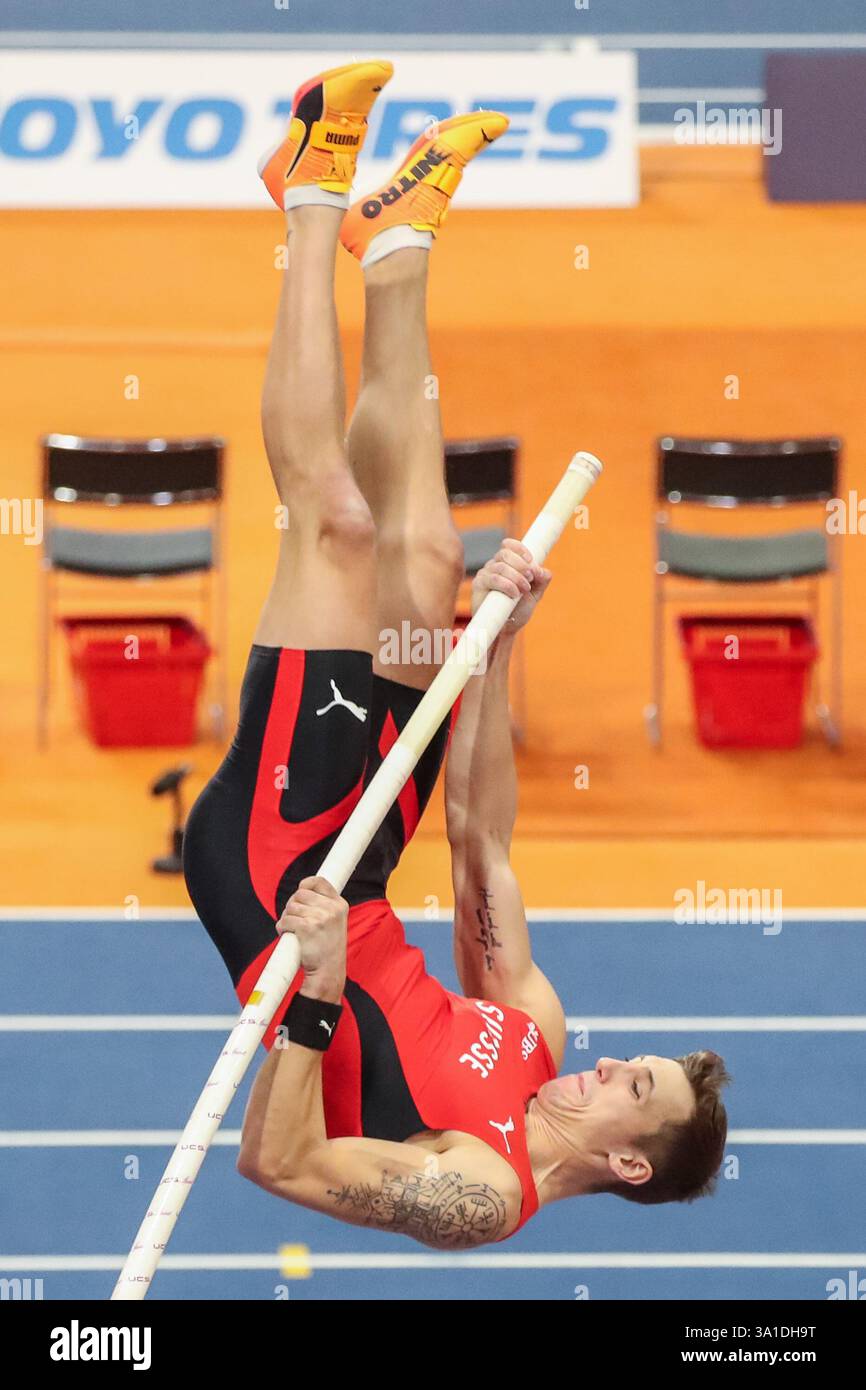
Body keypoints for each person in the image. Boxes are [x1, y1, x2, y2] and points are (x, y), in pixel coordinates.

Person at [183, 60, 730, 1250]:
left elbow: (279, 1162)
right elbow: (478, 835)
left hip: (288, 876)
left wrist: (318, 985)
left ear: (624, 1160)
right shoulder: (530, 1025)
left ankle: (311, 190)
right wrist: (486, 651)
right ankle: (395, 246)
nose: (603, 1070)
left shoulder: (482, 1192)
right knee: (427, 553)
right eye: (629, 1065)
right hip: (367, 851)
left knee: (334, 525)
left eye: (626, 1091)